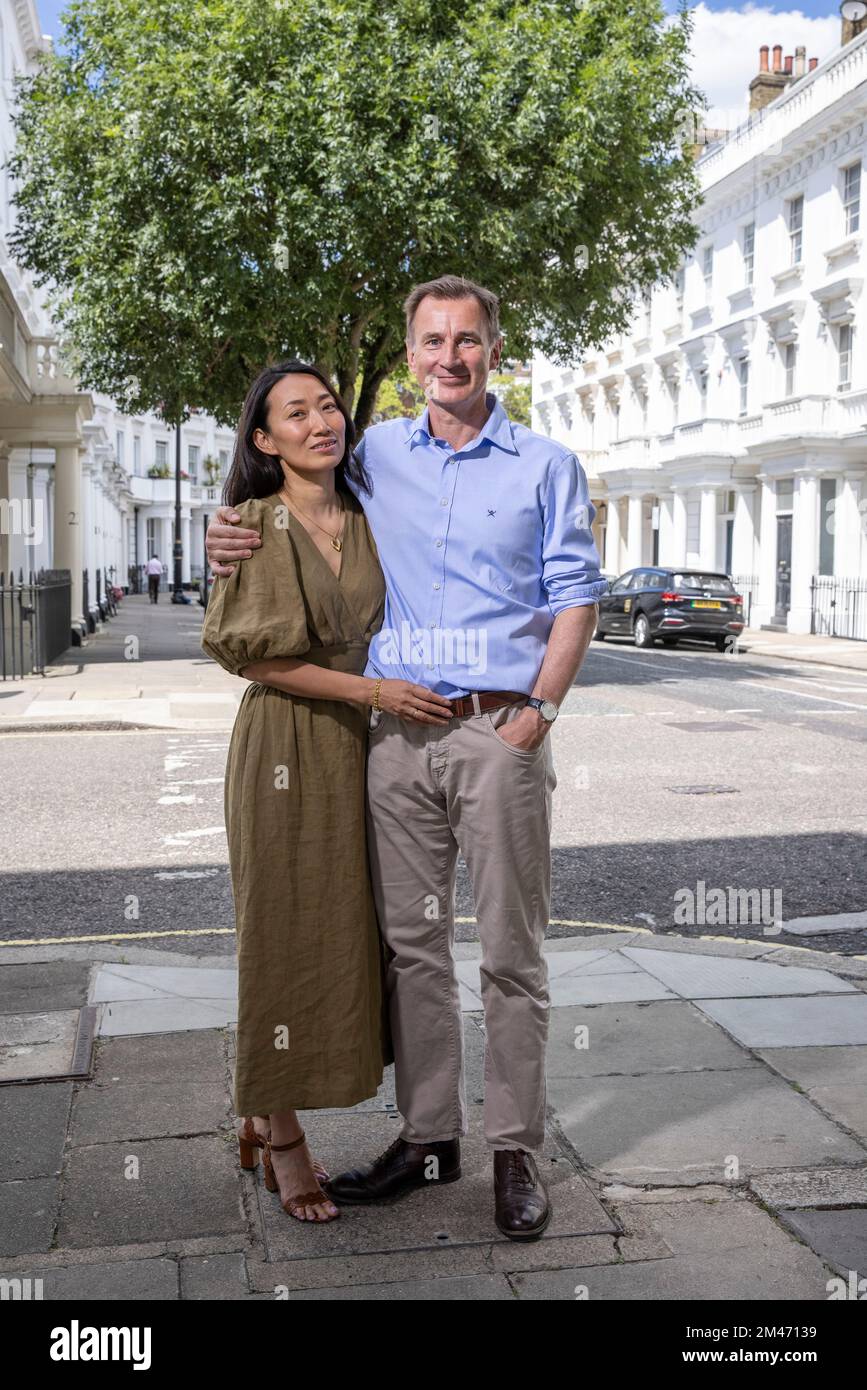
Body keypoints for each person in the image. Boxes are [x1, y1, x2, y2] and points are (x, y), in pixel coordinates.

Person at [205, 275, 607, 1240]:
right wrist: (220, 531)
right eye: (432, 342)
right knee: (411, 951)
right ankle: (430, 1140)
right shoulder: (377, 452)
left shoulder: (547, 465)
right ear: (412, 355)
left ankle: (513, 1151)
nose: (449, 357)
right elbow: (283, 501)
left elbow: (575, 597)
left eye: (467, 340)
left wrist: (539, 713)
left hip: (497, 731)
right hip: (390, 743)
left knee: (511, 955)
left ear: (494, 351)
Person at [200, 359, 452, 1223]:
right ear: (264, 441)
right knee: (283, 934)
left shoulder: (373, 511)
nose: (321, 422)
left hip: (368, 746)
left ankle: (265, 1109)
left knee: (355, 933)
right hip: (289, 742)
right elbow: (259, 656)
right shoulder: (255, 526)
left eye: (327, 405)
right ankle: (281, 1134)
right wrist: (373, 693)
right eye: (294, 414)